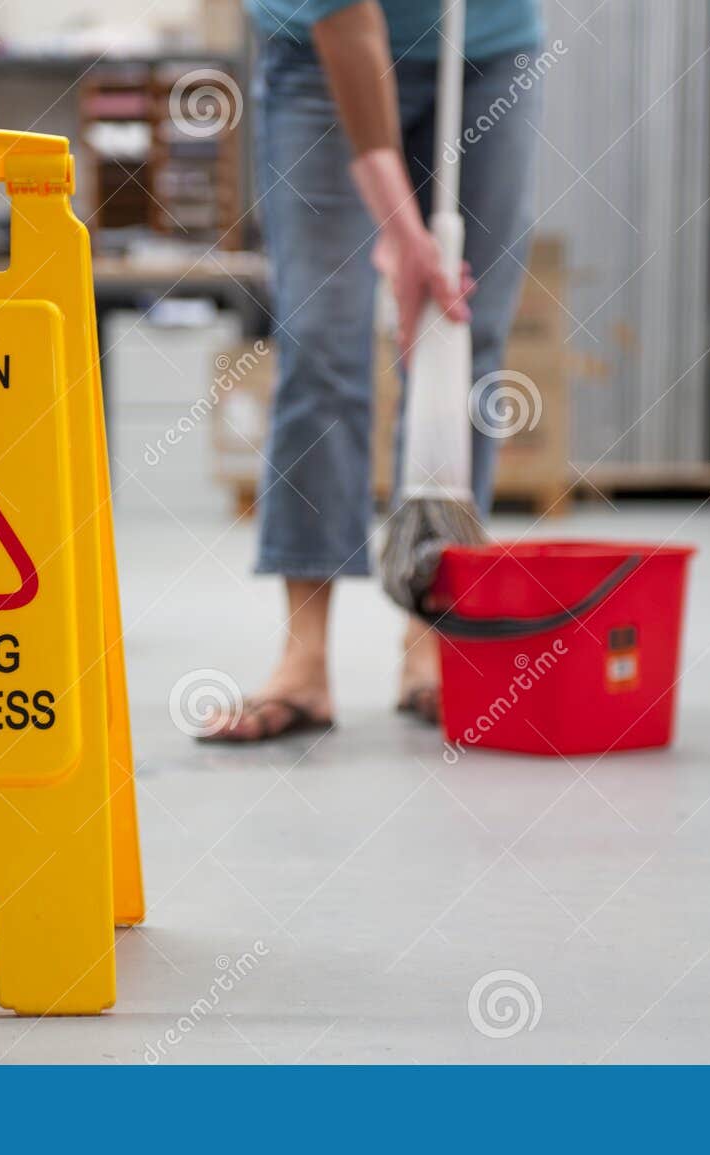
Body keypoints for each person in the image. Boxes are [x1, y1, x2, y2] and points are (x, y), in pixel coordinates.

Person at [209, 0, 541, 741]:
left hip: (483, 49)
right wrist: (404, 237)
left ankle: (429, 640)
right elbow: (345, 19)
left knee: (465, 339)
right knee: (321, 343)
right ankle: (304, 656)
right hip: (321, 58)